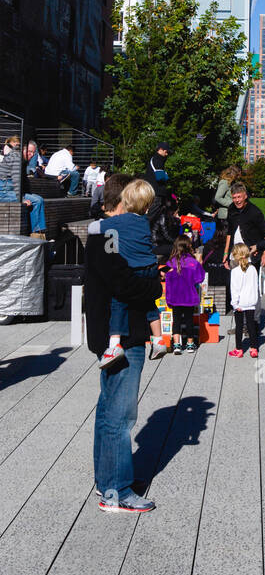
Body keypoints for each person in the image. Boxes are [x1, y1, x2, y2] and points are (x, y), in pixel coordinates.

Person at [85, 178, 163, 514]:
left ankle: (106, 481)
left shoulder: (104, 235)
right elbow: (126, 284)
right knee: (121, 415)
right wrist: (154, 286)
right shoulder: (108, 237)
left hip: (109, 334)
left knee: (107, 411)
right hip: (124, 335)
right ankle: (117, 490)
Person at [99, 178, 166, 369]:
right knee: (149, 304)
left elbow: (96, 229)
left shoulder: (118, 222)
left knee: (118, 303)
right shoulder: (144, 221)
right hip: (150, 268)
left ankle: (114, 345)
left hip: (133, 270)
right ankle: (159, 340)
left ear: (125, 201)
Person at [163, 234, 206, 354]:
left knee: (176, 320)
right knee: (189, 320)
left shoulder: (171, 262)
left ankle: (177, 344)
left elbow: (167, 277)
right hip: (189, 297)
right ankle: (190, 343)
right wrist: (200, 262)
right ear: (188, 247)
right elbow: (200, 278)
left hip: (175, 297)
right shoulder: (193, 262)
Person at [0, 136, 47, 236]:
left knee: (39, 199)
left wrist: (27, 194)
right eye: (29, 152)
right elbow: (16, 181)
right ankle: (36, 235)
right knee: (36, 200)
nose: (31, 154)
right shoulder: (16, 158)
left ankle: (38, 233)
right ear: (23, 149)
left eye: (33, 153)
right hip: (4, 191)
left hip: (11, 190)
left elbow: (24, 181)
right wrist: (21, 199)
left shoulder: (22, 160)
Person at [222, 182, 265, 273]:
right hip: (234, 254)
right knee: (233, 283)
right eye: (234, 198)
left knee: (250, 284)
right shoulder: (231, 209)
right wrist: (226, 253)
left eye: (239, 197)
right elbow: (229, 232)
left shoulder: (255, 212)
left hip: (251, 255)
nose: (237, 200)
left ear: (245, 196)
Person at [229, 243, 260, 357]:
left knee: (239, 326)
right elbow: (255, 286)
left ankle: (239, 349)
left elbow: (235, 289)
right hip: (251, 302)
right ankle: (254, 348)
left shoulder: (235, 271)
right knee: (251, 325)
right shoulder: (253, 269)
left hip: (240, 303)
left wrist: (235, 303)